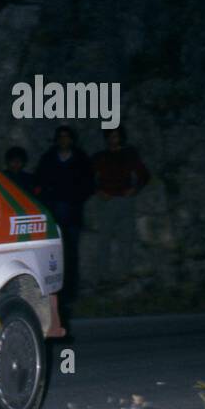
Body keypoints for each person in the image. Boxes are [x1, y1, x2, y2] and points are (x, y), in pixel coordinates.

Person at [35, 126, 95, 303]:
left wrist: (76, 198)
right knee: (54, 255)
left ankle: (71, 292)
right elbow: (40, 182)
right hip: (54, 213)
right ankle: (54, 292)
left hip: (73, 213)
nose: (63, 140)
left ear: (72, 140)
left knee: (72, 253)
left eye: (66, 137)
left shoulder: (81, 159)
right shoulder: (48, 158)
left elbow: (88, 183)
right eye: (60, 137)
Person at [90, 128, 150, 286]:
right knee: (104, 239)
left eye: (116, 136)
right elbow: (87, 177)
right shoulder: (100, 156)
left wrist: (134, 189)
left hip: (125, 200)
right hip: (107, 201)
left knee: (126, 239)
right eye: (110, 136)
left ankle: (124, 274)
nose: (113, 139)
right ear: (106, 138)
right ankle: (103, 275)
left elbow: (144, 175)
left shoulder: (129, 154)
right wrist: (98, 191)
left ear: (121, 137)